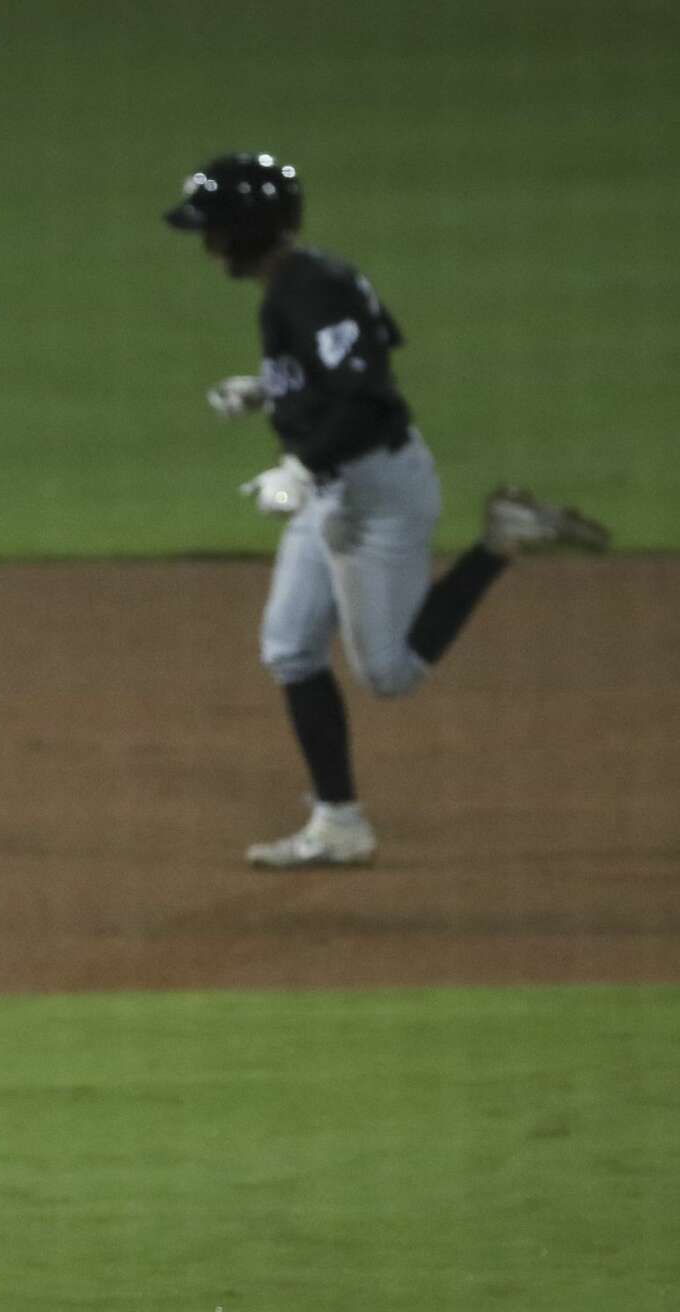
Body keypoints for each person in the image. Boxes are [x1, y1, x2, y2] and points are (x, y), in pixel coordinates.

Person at [163, 153, 610, 868]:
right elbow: (343, 370)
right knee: (290, 647)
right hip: (336, 486)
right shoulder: (303, 283)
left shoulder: (311, 292)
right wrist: (266, 391)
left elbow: (368, 398)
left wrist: (300, 466)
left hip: (378, 493)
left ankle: (501, 539)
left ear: (246, 231)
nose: (207, 244)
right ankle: (339, 823)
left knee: (389, 674)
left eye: (213, 230)